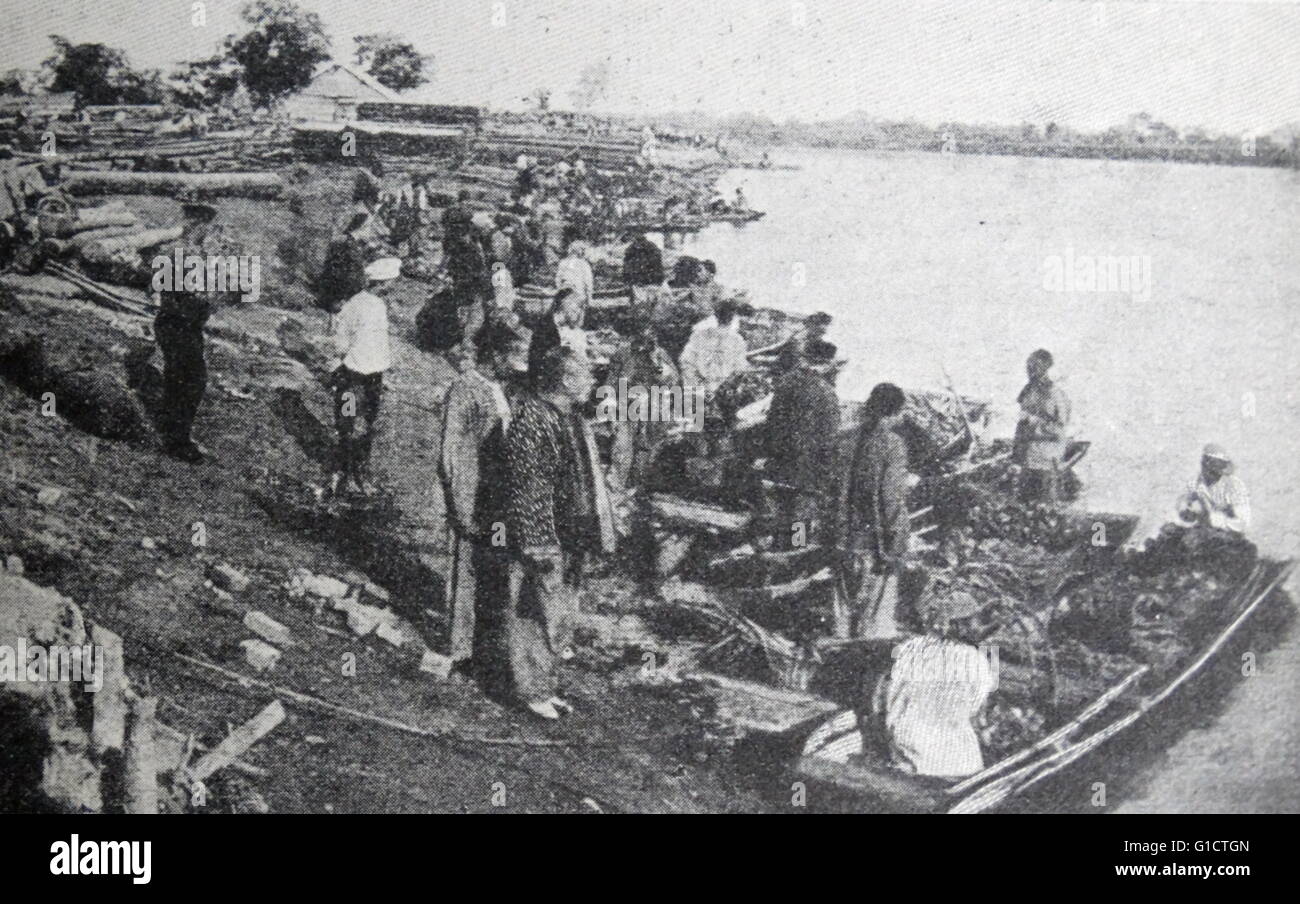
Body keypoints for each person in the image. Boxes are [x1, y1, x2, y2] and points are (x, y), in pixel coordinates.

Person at [495, 347, 603, 719]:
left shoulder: (568, 417)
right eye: (587, 374)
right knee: (533, 611)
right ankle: (530, 690)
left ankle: (543, 684)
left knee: (557, 613)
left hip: (570, 534)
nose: (592, 381)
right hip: (545, 536)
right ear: (567, 380)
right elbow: (528, 484)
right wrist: (537, 542)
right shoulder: (534, 417)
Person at [439, 322, 526, 668]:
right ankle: (459, 647)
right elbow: (451, 452)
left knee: (491, 568)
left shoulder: (499, 390)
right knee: (465, 570)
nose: (515, 366)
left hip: (497, 495)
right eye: (511, 357)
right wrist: (460, 506)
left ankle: (484, 644)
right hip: (472, 493)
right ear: (493, 355)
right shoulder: (464, 389)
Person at [876, 592, 997, 778]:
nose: (977, 626)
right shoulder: (974, 659)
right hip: (950, 756)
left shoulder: (911, 647)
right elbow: (975, 707)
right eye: (973, 620)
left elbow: (891, 689)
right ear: (959, 624)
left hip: (906, 745)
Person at [153, 199, 225, 463]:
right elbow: (177, 294)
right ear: (198, 223)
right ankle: (177, 441)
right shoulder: (180, 253)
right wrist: (210, 298)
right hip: (177, 324)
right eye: (207, 224)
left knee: (179, 379)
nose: (209, 230)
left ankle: (173, 433)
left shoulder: (190, 252)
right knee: (192, 381)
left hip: (183, 324)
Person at [841, 383, 915, 639]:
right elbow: (890, 499)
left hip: (844, 537)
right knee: (873, 619)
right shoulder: (893, 445)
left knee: (841, 612)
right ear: (894, 412)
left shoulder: (848, 438)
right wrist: (895, 542)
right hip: (874, 543)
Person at [328, 257, 398, 496]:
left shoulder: (379, 305)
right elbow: (340, 339)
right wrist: (343, 361)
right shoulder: (355, 305)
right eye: (391, 282)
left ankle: (359, 471)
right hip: (353, 376)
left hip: (373, 377)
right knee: (349, 425)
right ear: (383, 283)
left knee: (368, 424)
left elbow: (378, 343)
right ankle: (342, 473)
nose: (393, 286)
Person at [763, 341, 842, 548]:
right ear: (827, 364)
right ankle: (796, 554)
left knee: (782, 511)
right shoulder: (827, 394)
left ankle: (778, 551)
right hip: (808, 468)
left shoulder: (786, 383)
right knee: (802, 515)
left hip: (781, 461)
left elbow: (772, 422)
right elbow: (829, 437)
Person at [606, 323, 681, 492]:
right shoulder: (623, 354)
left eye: (649, 339)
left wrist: (657, 363)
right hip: (626, 406)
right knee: (622, 448)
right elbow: (611, 382)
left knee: (646, 449)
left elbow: (671, 380)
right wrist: (612, 411)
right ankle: (616, 487)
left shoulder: (660, 355)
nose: (644, 345)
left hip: (652, 407)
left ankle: (638, 487)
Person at [1013, 349, 1071, 503]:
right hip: (1027, 460)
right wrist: (1016, 457)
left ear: (1045, 368)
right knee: (1024, 506)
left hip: (1046, 460)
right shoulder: (1027, 391)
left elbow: (1059, 430)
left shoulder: (1056, 395)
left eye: (1034, 366)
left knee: (1046, 506)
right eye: (1028, 366)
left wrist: (1034, 421)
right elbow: (1020, 427)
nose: (1030, 370)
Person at [678, 297, 749, 394]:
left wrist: (699, 387)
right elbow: (739, 369)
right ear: (733, 316)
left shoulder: (699, 335)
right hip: (720, 395)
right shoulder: (737, 340)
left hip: (699, 391)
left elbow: (686, 363)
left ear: (715, 314)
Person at [1176, 443, 1251, 533]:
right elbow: (1182, 509)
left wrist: (1217, 519)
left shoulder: (1235, 486)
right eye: (1205, 463)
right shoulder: (1194, 484)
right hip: (1201, 533)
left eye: (1212, 465)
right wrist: (1188, 511)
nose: (1207, 468)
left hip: (1229, 536)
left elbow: (1243, 523)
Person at [555, 240, 594, 323]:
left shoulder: (563, 263)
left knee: (566, 320)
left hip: (565, 294)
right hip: (579, 295)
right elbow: (588, 283)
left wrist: (559, 290)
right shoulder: (584, 264)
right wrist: (589, 298)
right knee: (577, 321)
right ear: (581, 251)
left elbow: (558, 279)